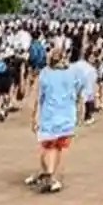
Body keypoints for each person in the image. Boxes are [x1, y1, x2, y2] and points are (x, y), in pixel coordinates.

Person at [28, 46, 85, 194]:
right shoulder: (72, 73)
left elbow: (38, 97)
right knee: (57, 147)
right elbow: (79, 93)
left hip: (49, 116)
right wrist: (79, 111)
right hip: (67, 116)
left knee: (48, 147)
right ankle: (49, 174)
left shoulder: (45, 73)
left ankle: (50, 176)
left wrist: (34, 116)